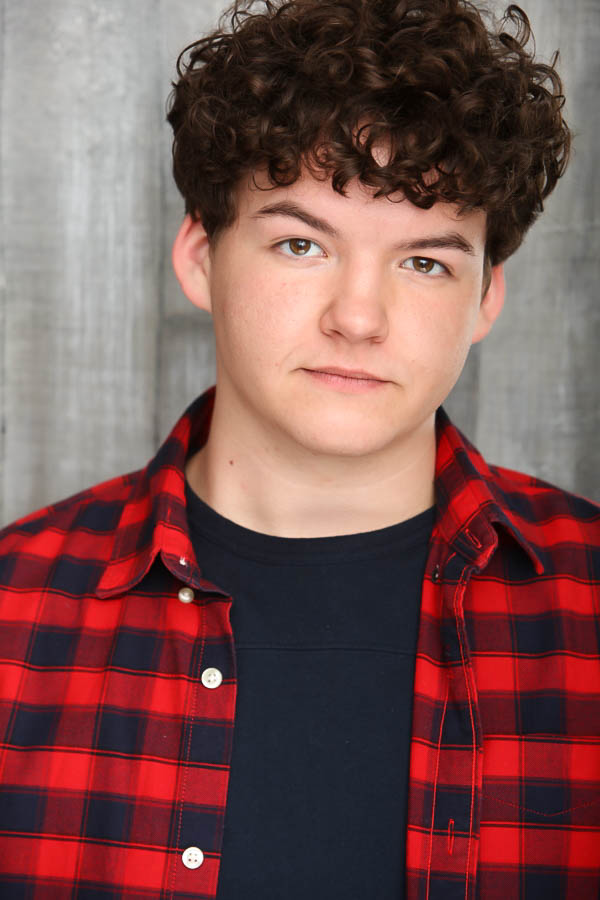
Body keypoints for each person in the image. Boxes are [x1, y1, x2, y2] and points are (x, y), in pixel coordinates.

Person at [0, 0, 597, 897]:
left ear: (485, 299)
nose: (358, 317)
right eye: (300, 243)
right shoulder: (14, 612)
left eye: (425, 262)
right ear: (200, 257)